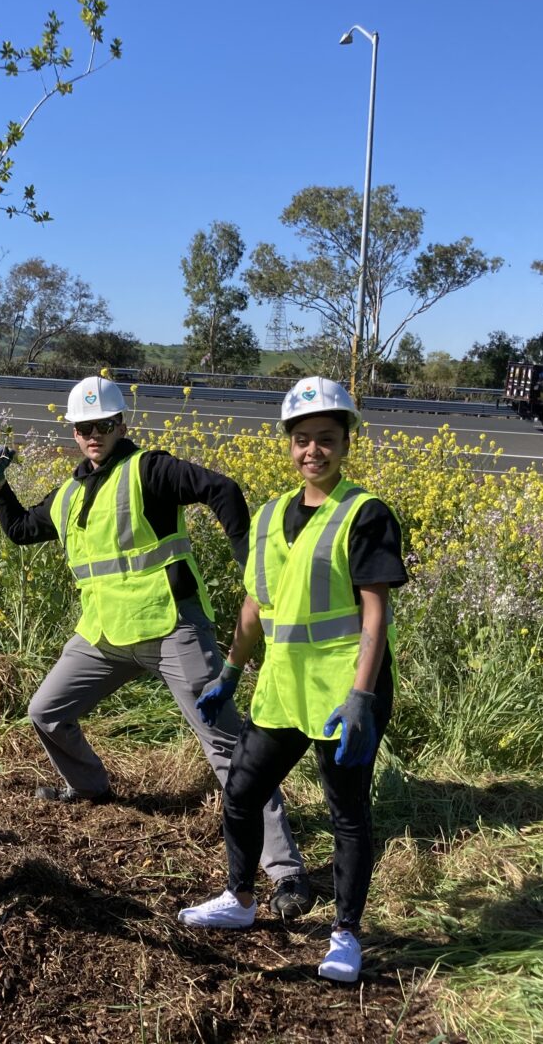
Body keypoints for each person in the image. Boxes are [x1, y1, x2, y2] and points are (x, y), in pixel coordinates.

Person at [0, 375, 311, 917]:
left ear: (121, 425)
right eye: (84, 427)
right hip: (104, 636)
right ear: (74, 431)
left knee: (227, 746)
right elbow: (20, 529)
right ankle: (88, 787)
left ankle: (286, 873)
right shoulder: (68, 495)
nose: (93, 435)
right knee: (44, 711)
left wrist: (251, 569)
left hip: (170, 628)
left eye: (103, 426)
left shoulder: (149, 470)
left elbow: (223, 490)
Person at [175, 377, 408, 984]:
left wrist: (362, 696)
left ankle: (346, 934)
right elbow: (256, 602)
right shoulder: (272, 513)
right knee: (243, 792)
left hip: (342, 691)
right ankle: (240, 900)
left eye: (326, 440)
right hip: (281, 686)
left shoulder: (365, 513)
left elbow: (376, 611)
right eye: (303, 440)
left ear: (345, 442)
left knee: (347, 811)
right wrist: (230, 668)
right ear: (289, 444)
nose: (313, 451)